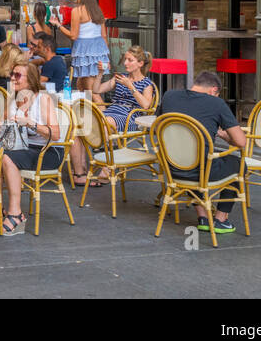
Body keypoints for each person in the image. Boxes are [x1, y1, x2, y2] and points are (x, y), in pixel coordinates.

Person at [157, 71, 249, 234]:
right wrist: (224, 135)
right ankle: (221, 220)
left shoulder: (169, 96)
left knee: (194, 160)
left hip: (173, 169)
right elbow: (241, 142)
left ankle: (203, 217)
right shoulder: (217, 103)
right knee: (238, 164)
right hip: (201, 172)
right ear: (214, 90)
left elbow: (158, 124)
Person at [0, 60, 63, 236]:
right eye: (12, 74)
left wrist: (30, 123)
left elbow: (55, 134)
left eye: (17, 75)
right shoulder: (14, 98)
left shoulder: (43, 99)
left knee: (7, 157)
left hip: (47, 151)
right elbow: (2, 122)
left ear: (30, 80)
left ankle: (16, 214)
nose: (13, 78)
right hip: (22, 147)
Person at [51, 0, 109, 95]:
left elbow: (73, 36)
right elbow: (104, 35)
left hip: (85, 54)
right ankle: (84, 111)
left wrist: (58, 25)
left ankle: (104, 113)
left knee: (91, 92)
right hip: (99, 52)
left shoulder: (77, 11)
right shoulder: (97, 10)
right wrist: (107, 59)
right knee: (80, 85)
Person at [98, 47, 155, 131]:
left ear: (140, 63)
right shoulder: (121, 77)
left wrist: (130, 86)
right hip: (110, 112)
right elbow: (97, 90)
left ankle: (108, 143)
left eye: (130, 60)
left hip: (128, 117)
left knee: (104, 123)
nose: (125, 63)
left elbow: (146, 105)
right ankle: (109, 143)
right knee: (83, 124)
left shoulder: (146, 83)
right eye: (125, 59)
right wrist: (100, 73)